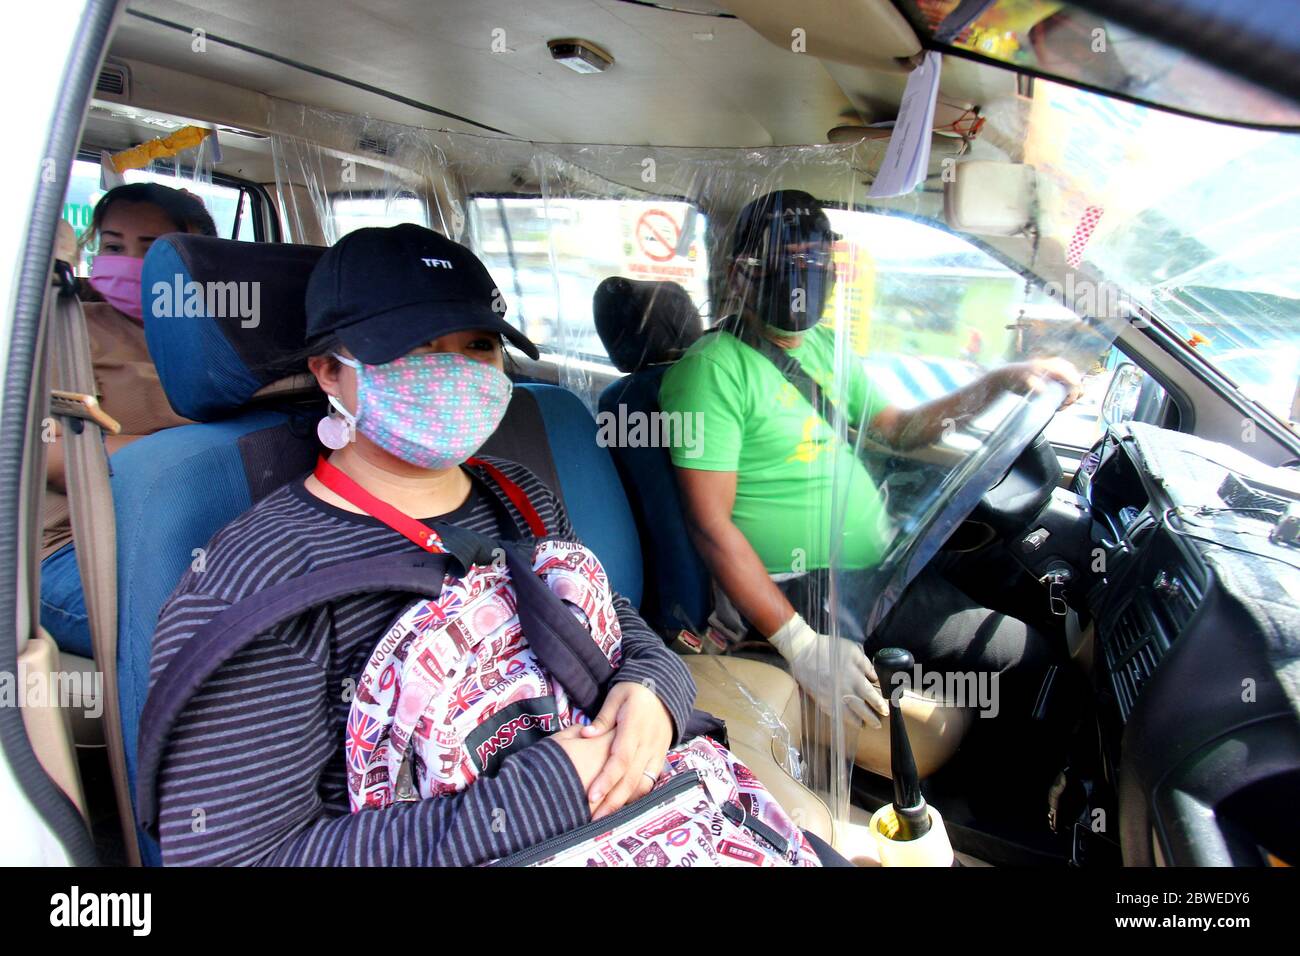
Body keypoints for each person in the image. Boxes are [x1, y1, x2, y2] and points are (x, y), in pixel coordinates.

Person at [146, 224, 695, 866]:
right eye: (414, 347)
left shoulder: (519, 494)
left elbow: (608, 619)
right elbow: (236, 857)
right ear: (328, 371)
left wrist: (656, 688)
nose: (456, 372)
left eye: (478, 345)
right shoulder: (259, 577)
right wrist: (544, 793)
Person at [659, 190, 1081, 733]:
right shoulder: (712, 371)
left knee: (1028, 587)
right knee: (1028, 662)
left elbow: (900, 429)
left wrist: (999, 382)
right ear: (742, 275)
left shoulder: (820, 345)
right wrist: (801, 643)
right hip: (814, 591)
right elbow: (710, 526)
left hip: (876, 567)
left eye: (819, 260)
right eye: (791, 261)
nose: (809, 275)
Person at [41, 183, 217, 657]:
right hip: (73, 546)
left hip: (182, 530)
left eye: (152, 249)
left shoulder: (218, 330)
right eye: (114, 247)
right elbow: (53, 456)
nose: (130, 263)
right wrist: (200, 455)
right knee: (203, 630)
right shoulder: (65, 329)